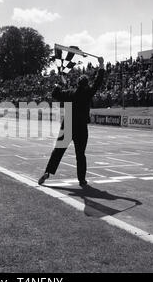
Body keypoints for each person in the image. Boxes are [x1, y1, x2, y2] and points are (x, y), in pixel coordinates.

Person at [38, 57, 105, 187]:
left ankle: (48, 172)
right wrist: (101, 65)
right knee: (80, 155)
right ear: (86, 84)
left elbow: (55, 94)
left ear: (78, 84)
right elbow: (98, 81)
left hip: (67, 125)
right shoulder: (88, 93)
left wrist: (58, 85)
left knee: (58, 151)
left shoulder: (71, 93)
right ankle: (82, 179)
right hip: (81, 128)